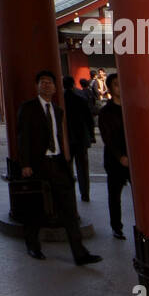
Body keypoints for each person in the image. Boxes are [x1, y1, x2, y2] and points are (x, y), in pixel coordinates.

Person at [17, 70, 102, 266]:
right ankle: (33, 245)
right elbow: (23, 138)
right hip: (37, 163)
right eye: (43, 82)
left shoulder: (57, 110)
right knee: (36, 207)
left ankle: (80, 253)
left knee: (69, 210)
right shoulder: (28, 108)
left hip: (57, 162)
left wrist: (66, 157)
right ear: (36, 86)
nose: (46, 85)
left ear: (56, 88)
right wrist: (25, 164)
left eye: (50, 83)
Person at [98, 72, 131, 239]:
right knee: (114, 195)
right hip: (115, 159)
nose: (120, 87)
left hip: (133, 158)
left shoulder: (131, 107)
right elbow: (107, 138)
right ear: (110, 88)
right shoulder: (105, 112)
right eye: (116, 84)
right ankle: (116, 226)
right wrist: (120, 157)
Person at [62, 74, 95, 202]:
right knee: (82, 168)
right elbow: (89, 119)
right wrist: (91, 135)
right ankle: (85, 193)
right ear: (73, 85)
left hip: (67, 139)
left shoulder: (60, 100)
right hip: (80, 137)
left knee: (66, 168)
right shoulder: (80, 99)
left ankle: (68, 193)